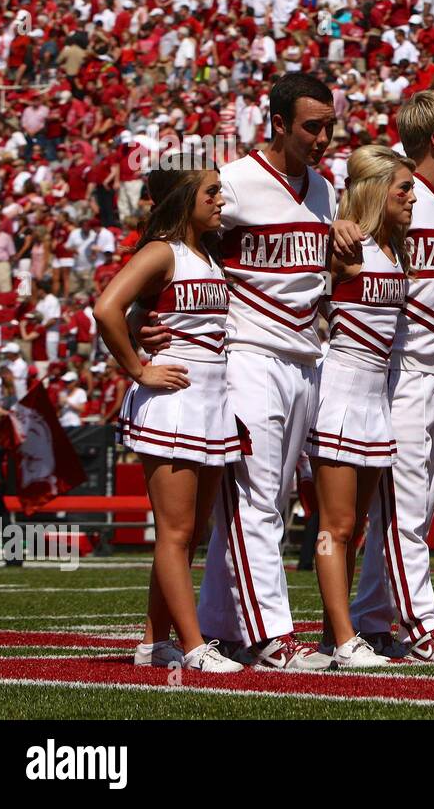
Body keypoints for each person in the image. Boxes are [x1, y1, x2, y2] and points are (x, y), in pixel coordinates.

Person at [146, 73, 362, 669]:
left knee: (275, 495)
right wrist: (150, 312)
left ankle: (222, 624)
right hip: (245, 353)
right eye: (311, 126)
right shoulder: (234, 182)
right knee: (257, 500)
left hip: (303, 353)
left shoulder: (323, 187)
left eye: (329, 126)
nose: (322, 137)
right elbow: (165, 223)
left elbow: (313, 278)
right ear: (278, 125)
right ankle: (272, 634)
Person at [94, 156, 242, 673]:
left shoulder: (211, 254)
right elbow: (106, 307)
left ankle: (155, 643)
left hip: (211, 400)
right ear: (184, 200)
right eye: (210, 194)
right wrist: (138, 370)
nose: (220, 201)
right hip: (173, 403)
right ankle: (196, 647)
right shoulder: (163, 252)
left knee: (187, 535)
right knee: (176, 534)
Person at [349, 90, 434, 663]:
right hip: (402, 367)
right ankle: (421, 619)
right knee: (403, 505)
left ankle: (374, 617)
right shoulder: (402, 199)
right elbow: (349, 248)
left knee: (418, 505)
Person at [304, 145, 416, 669]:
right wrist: (333, 228)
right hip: (342, 391)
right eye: (403, 189)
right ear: (376, 192)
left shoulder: (396, 249)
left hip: (377, 396)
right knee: (336, 526)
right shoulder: (345, 245)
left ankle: (335, 635)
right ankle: (347, 640)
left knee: (357, 529)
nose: (413, 198)